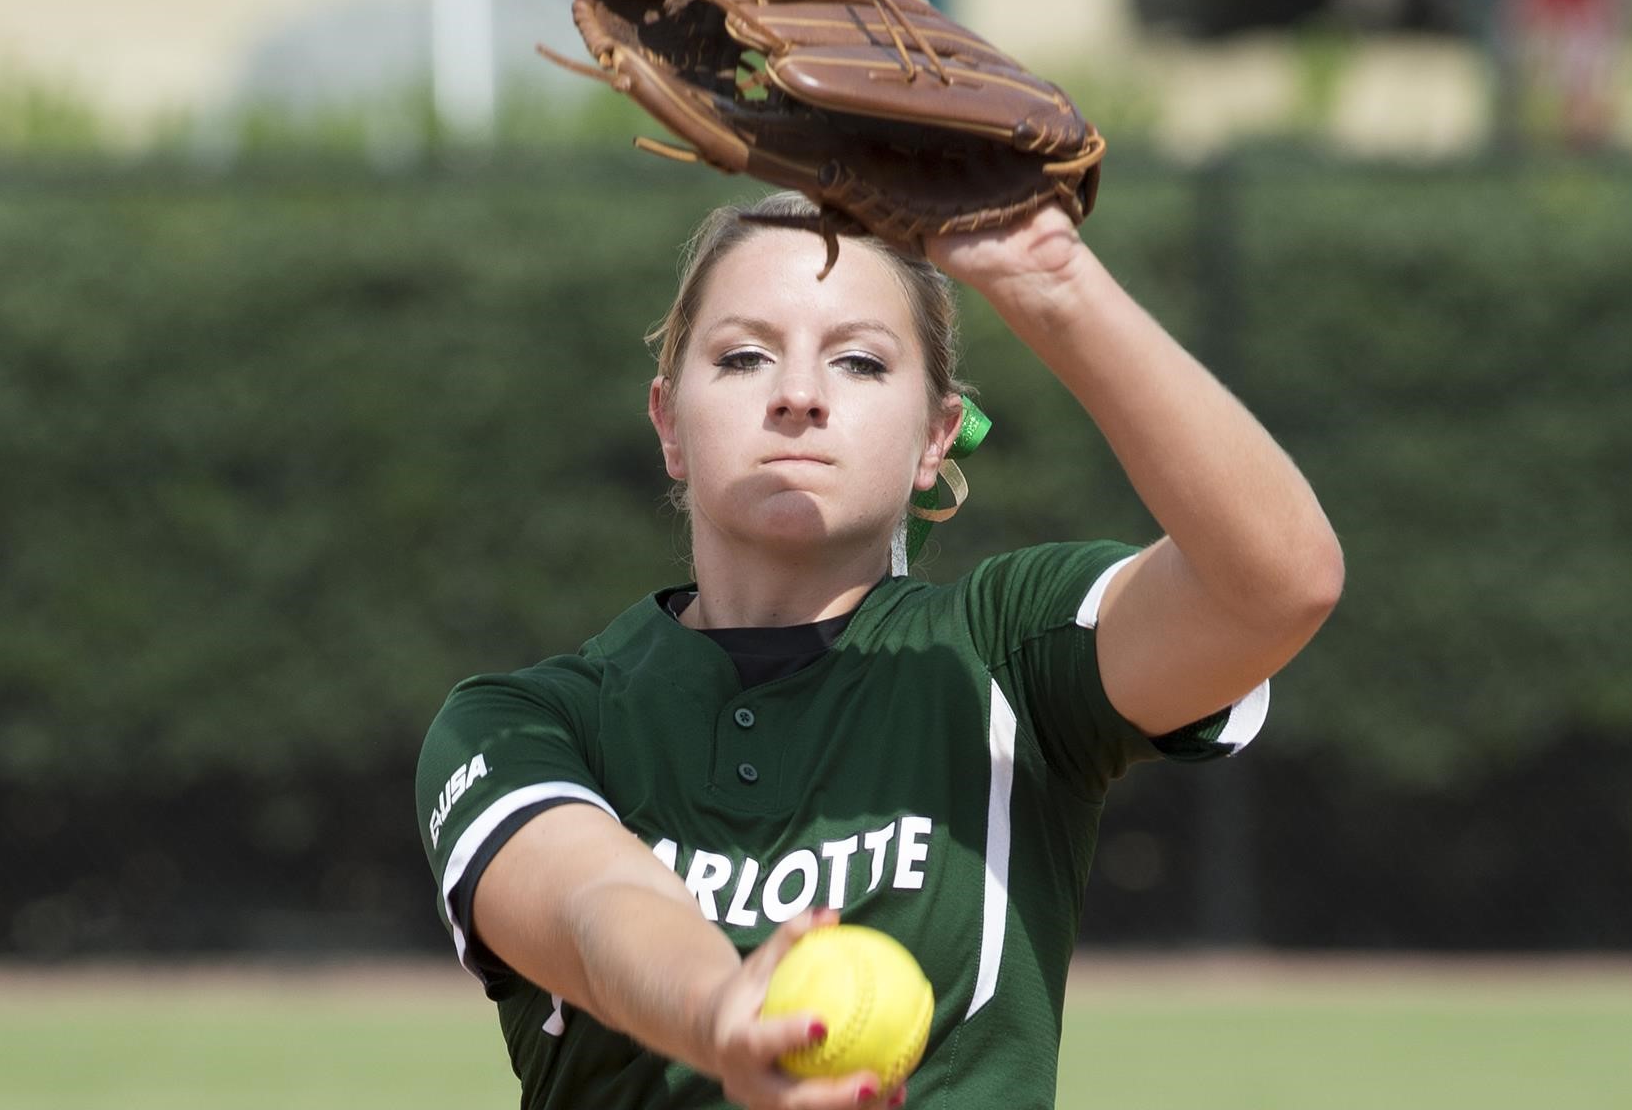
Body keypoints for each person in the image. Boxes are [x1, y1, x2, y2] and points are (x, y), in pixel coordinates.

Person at [415, 190, 1343, 1110]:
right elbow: (593, 902)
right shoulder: (523, 722)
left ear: (936, 436)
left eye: (859, 362)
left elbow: (1274, 585)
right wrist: (719, 1012)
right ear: (669, 423)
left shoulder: (1002, 658)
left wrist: (1054, 283)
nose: (799, 395)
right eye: (743, 356)